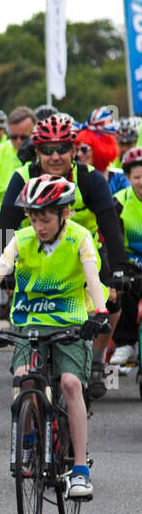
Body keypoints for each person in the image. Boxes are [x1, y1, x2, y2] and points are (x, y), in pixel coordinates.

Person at [0, 176, 108, 500]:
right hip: (30, 326)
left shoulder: (80, 238)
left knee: (70, 383)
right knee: (23, 378)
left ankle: (81, 469)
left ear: (64, 213)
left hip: (70, 324)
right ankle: (29, 442)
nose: (38, 225)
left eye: (44, 218)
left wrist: (99, 312)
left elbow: (93, 277)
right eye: (32, 218)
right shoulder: (21, 240)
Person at [0, 113, 128, 400]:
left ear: (73, 150)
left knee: (113, 300)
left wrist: (118, 269)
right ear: (37, 152)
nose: (55, 156)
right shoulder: (22, 178)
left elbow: (110, 226)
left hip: (85, 254)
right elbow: (5, 227)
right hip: (36, 256)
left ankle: (95, 360)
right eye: (46, 149)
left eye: (62, 149)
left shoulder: (89, 178)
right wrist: (5, 272)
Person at [107, 145, 142, 365]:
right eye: (137, 177)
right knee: (123, 284)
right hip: (128, 262)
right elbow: (112, 241)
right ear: (128, 177)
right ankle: (124, 343)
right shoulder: (118, 202)